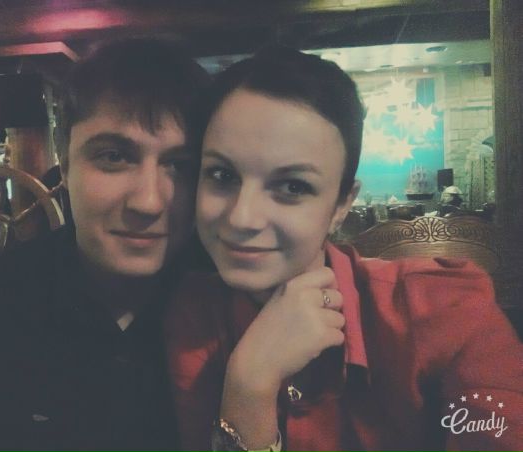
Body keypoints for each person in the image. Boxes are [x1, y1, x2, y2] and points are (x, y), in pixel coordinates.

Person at [165, 47, 523, 451]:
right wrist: (250, 384)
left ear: (341, 205)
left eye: (292, 186)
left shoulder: (443, 308)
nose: (241, 217)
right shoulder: (194, 315)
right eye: (222, 174)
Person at [0, 38, 209, 451]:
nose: (148, 202)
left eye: (181, 165)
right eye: (113, 157)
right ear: (65, 163)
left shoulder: (238, 307)